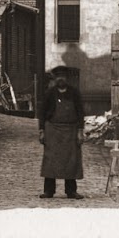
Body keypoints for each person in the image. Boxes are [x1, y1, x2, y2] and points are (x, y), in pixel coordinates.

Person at [37, 66, 85, 199]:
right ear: (55, 79)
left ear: (67, 78)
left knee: (71, 161)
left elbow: (80, 112)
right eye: (58, 77)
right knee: (50, 160)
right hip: (52, 131)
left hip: (71, 131)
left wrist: (80, 131)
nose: (61, 79)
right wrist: (42, 131)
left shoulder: (74, 93)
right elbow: (42, 113)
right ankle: (49, 191)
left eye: (63, 76)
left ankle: (71, 191)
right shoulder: (49, 93)